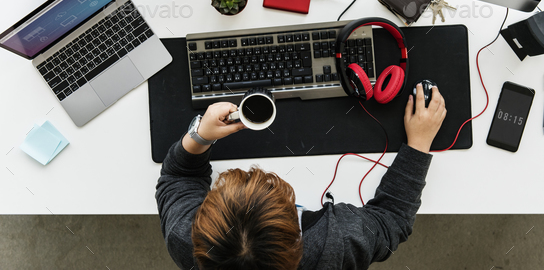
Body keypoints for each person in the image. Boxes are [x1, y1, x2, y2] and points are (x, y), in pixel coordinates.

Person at [156, 84, 446, 269]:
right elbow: (392, 220)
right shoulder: (336, 245)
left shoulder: (187, 240)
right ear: (297, 232)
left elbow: (176, 178)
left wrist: (200, 136)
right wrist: (419, 144)